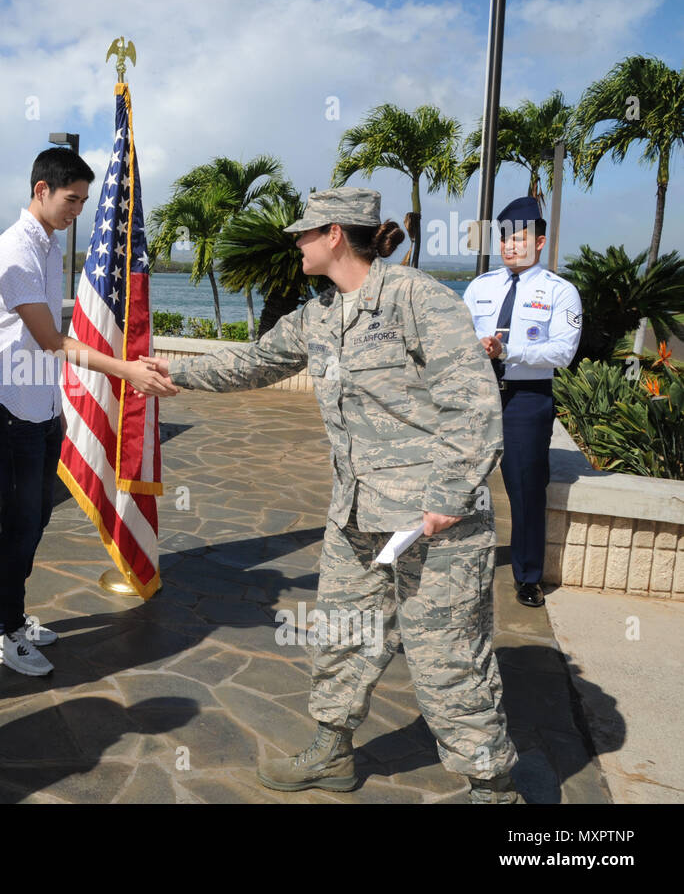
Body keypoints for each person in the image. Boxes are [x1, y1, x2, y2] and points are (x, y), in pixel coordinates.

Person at [143, 187, 522, 803]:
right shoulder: (319, 314)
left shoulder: (417, 299)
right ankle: (332, 751)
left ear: (335, 235)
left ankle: (491, 785)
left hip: (435, 521)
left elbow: (473, 404)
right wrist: (168, 373)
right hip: (356, 515)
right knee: (343, 634)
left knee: (448, 657)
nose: (296, 243)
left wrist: (449, 497)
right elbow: (255, 362)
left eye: (305, 233)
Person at [0, 147, 177, 676]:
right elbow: (49, 340)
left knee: (36, 516)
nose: (78, 211)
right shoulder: (17, 249)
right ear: (41, 190)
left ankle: (4, 612)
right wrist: (126, 370)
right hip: (11, 409)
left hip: (39, 407)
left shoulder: (48, 244)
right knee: (21, 522)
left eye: (86, 201)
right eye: (72, 199)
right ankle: (6, 630)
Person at [463, 196, 582, 608]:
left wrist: (507, 350)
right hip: (477, 397)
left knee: (526, 489)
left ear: (541, 241)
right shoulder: (480, 287)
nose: (510, 246)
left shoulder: (560, 293)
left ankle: (528, 576)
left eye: (520, 238)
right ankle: (454, 563)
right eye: (504, 238)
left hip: (526, 401)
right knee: (458, 480)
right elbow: (459, 340)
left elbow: (562, 354)